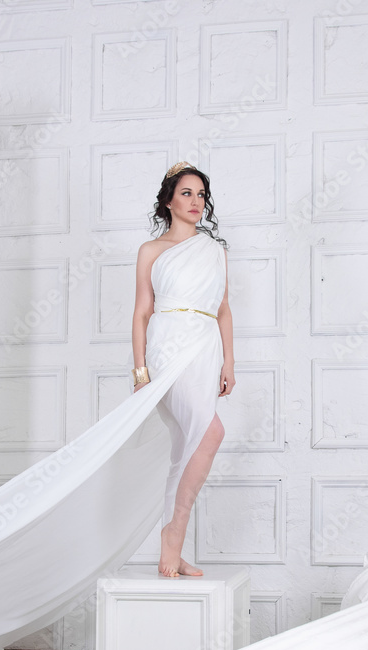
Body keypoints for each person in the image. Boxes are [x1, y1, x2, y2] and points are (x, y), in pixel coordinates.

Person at [131, 161, 235, 578]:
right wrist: (141, 372)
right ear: (169, 200)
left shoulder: (215, 250)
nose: (196, 201)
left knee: (189, 444)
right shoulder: (151, 251)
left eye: (201, 194)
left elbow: (224, 310)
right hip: (167, 343)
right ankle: (171, 542)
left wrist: (229, 360)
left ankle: (172, 548)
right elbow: (141, 313)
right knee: (210, 432)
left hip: (205, 344)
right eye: (187, 193)